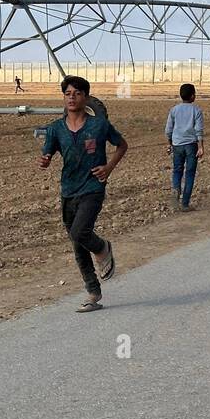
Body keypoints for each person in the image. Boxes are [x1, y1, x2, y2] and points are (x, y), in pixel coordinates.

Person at [38, 75, 128, 312]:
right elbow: (47, 153)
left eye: (77, 93)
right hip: (68, 189)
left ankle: (102, 248)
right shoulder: (56, 128)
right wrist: (45, 160)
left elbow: (122, 145)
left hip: (92, 187)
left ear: (86, 97)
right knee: (76, 243)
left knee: (80, 232)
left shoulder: (99, 125)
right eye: (67, 93)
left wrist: (108, 168)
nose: (72, 98)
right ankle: (93, 293)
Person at [165, 82, 204, 211]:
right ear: (193, 96)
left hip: (177, 144)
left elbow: (168, 129)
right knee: (190, 173)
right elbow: (199, 130)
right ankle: (185, 204)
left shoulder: (174, 110)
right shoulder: (196, 110)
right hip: (191, 145)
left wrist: (169, 143)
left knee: (177, 170)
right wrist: (201, 147)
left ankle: (176, 189)